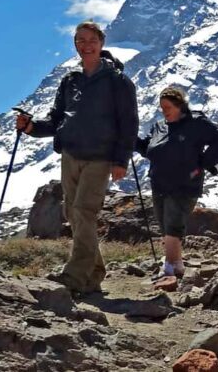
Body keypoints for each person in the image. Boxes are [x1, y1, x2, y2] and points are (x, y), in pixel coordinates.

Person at [16, 21, 139, 294]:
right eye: (79, 41)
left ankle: (74, 276)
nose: (85, 45)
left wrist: (121, 160)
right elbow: (56, 119)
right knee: (72, 212)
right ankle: (94, 272)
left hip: (100, 156)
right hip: (70, 154)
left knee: (84, 211)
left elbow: (129, 123)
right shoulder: (70, 81)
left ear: (101, 43)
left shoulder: (118, 81)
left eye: (90, 40)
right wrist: (31, 127)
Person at [136, 87, 218, 279]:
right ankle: (176, 266)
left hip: (184, 183)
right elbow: (148, 148)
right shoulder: (159, 126)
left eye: (168, 107)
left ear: (179, 105)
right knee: (164, 225)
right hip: (159, 182)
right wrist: (130, 140)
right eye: (162, 108)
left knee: (173, 224)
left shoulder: (196, 123)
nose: (164, 111)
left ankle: (168, 268)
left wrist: (203, 163)